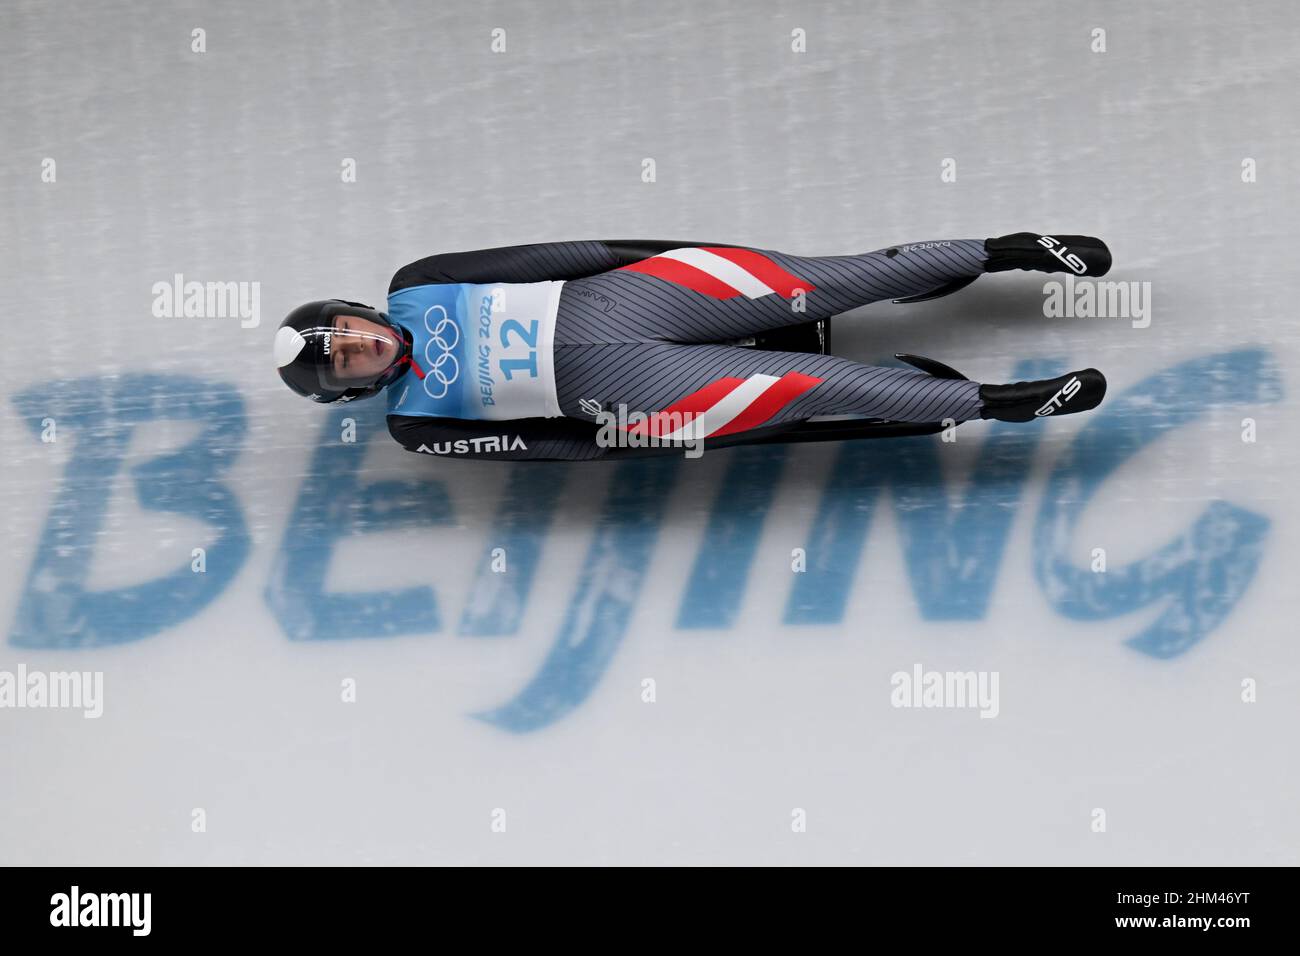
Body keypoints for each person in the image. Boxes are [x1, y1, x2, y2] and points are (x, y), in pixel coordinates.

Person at [274, 232, 1111, 461]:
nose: (364, 345)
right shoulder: (417, 423)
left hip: (636, 291)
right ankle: (1001, 404)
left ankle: (1004, 252)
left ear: (358, 311)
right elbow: (540, 448)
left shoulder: (420, 279)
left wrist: (651, 255)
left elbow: (553, 258)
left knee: (825, 280)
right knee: (805, 383)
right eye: (349, 359)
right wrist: (640, 441)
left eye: (350, 331)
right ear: (352, 386)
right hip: (638, 388)